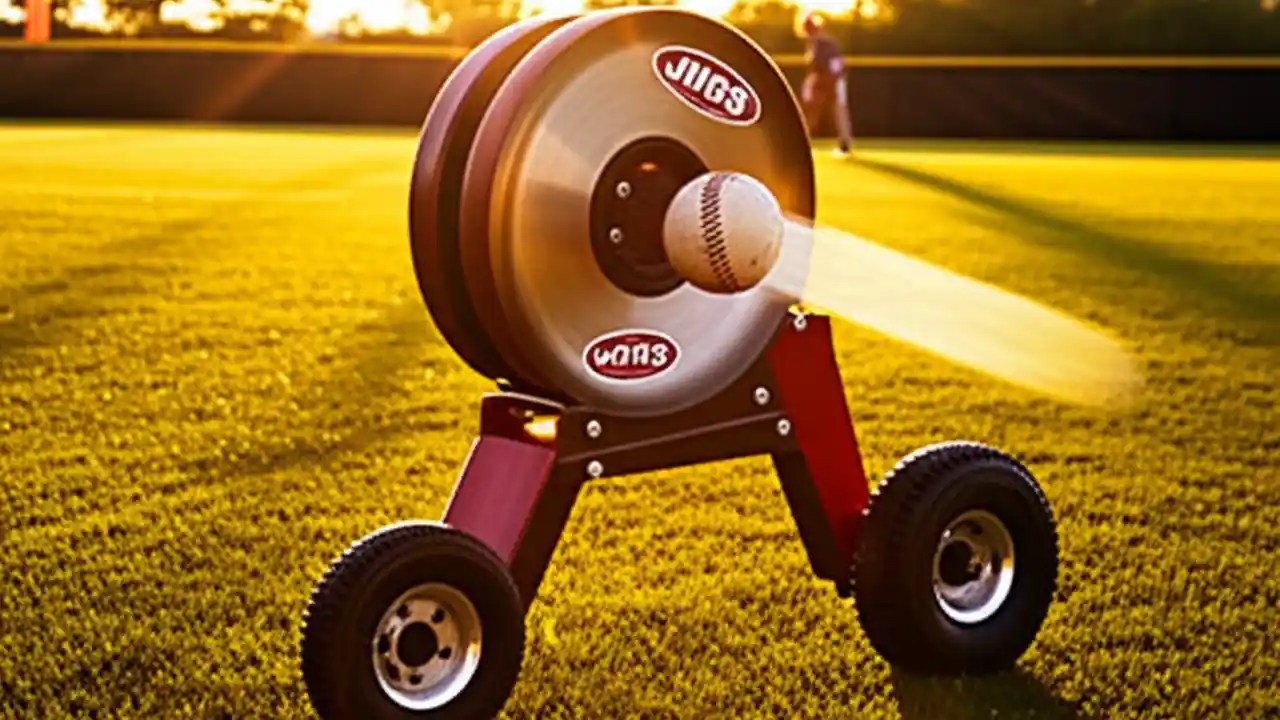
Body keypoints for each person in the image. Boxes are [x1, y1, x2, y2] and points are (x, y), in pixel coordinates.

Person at [799, 12, 854, 156]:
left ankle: (845, 145)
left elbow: (835, 68)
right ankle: (804, 144)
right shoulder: (813, 44)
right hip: (820, 82)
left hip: (833, 81)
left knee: (839, 111)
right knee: (811, 113)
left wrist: (830, 86)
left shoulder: (827, 44)